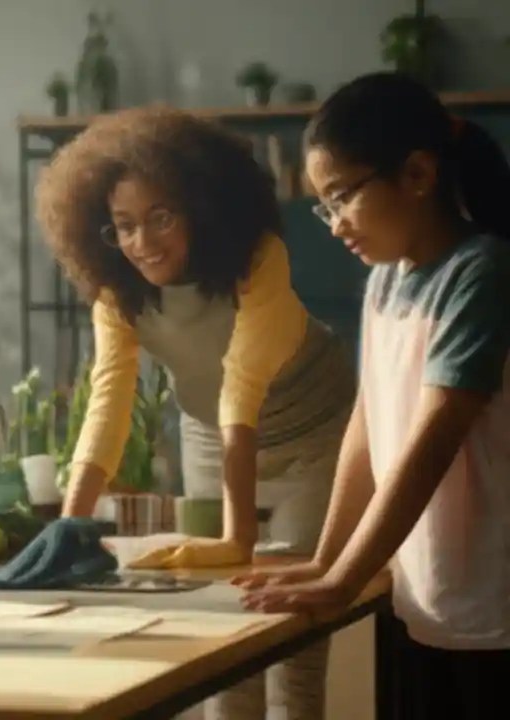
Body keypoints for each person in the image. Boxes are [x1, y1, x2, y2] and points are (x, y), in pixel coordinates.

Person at [36, 106, 356, 719]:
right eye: (122, 225)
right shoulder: (116, 293)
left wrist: (237, 537)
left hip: (314, 433)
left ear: (203, 209)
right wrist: (67, 526)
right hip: (212, 437)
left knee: (295, 630)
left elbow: (243, 384)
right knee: (222, 633)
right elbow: (109, 403)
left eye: (161, 217)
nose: (141, 243)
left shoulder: (257, 258)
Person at [235, 72, 510, 719]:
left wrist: (345, 577)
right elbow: (369, 423)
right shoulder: (386, 281)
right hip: (420, 588)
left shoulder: (480, 273)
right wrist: (330, 559)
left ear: (417, 175)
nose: (334, 226)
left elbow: (433, 440)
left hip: (493, 600)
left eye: (342, 198)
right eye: (322, 207)